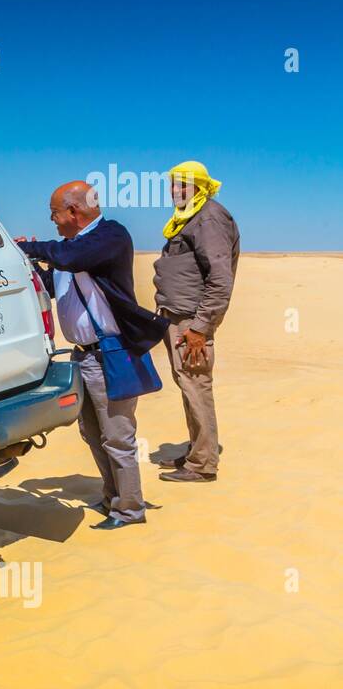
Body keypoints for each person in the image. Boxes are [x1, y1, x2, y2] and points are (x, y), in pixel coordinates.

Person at [19, 181, 169, 529]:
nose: (53, 220)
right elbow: (55, 281)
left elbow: (71, 258)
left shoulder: (109, 236)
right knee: (91, 430)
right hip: (81, 357)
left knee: (117, 435)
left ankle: (129, 510)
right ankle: (112, 497)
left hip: (111, 355)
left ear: (73, 211)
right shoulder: (69, 249)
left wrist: (29, 247)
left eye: (54, 212)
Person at [153, 161, 240, 483]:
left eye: (184, 185)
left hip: (192, 322)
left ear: (200, 188)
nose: (176, 191)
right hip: (180, 317)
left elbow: (220, 277)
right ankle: (197, 451)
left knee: (196, 386)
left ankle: (203, 465)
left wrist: (201, 327)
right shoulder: (189, 218)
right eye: (174, 185)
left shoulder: (209, 218)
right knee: (189, 385)